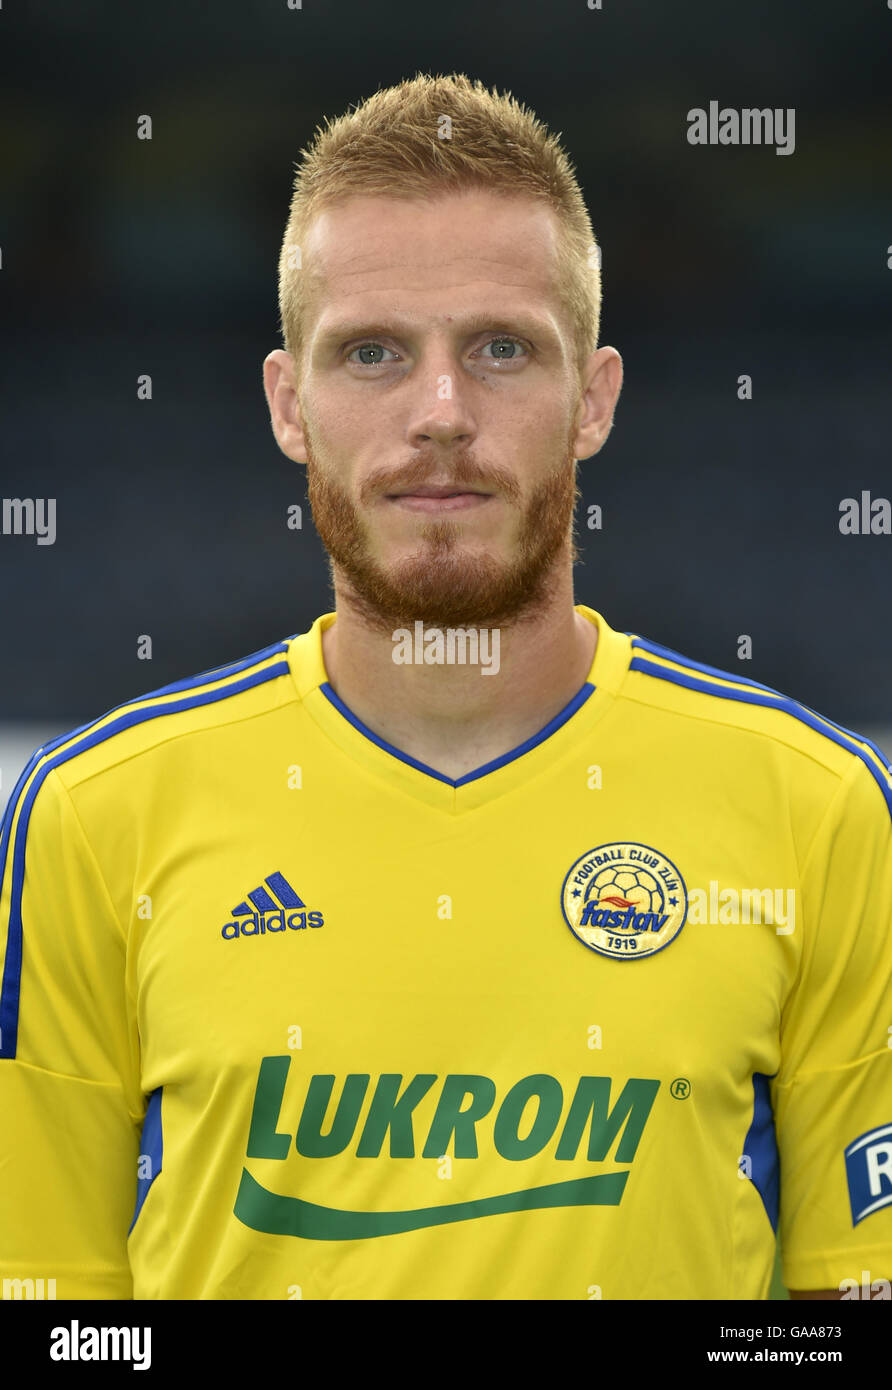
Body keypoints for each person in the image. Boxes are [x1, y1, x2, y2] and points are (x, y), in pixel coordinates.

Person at [1, 73, 890, 1301]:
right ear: (287, 405)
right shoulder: (89, 818)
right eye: (371, 352)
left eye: (501, 349)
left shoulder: (819, 811)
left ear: (595, 399)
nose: (440, 413)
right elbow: (53, 1308)